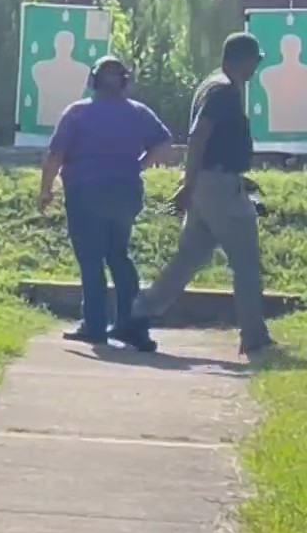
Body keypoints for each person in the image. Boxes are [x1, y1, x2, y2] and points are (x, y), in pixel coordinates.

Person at [114, 33, 276, 356]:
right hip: (218, 185)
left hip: (210, 183)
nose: (257, 65)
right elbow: (199, 136)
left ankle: (137, 314)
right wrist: (187, 186)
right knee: (246, 260)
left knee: (187, 259)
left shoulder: (213, 85)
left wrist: (193, 185)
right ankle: (254, 337)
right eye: (255, 59)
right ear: (240, 59)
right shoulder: (222, 91)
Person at [37, 56, 176, 345]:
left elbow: (55, 155)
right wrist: (139, 165)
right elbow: (164, 144)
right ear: (125, 82)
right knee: (119, 256)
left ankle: (95, 325)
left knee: (90, 258)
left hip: (85, 192)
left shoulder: (76, 113)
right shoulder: (139, 113)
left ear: (93, 81)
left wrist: (45, 189)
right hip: (125, 191)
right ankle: (131, 323)